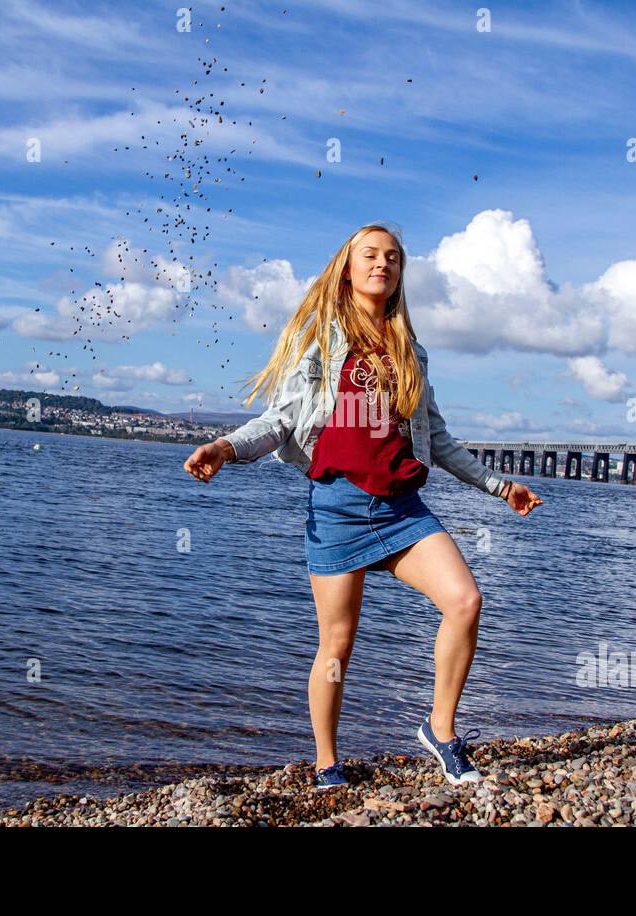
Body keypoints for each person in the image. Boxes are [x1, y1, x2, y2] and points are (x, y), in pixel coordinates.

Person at [183, 222, 542, 790]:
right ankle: (327, 763)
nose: (383, 263)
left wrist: (499, 487)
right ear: (347, 268)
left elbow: (438, 439)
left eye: (393, 257)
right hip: (338, 508)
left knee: (465, 600)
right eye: (371, 255)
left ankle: (441, 733)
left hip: (404, 508)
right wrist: (227, 447)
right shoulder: (322, 342)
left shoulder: (410, 351)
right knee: (337, 645)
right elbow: (280, 422)